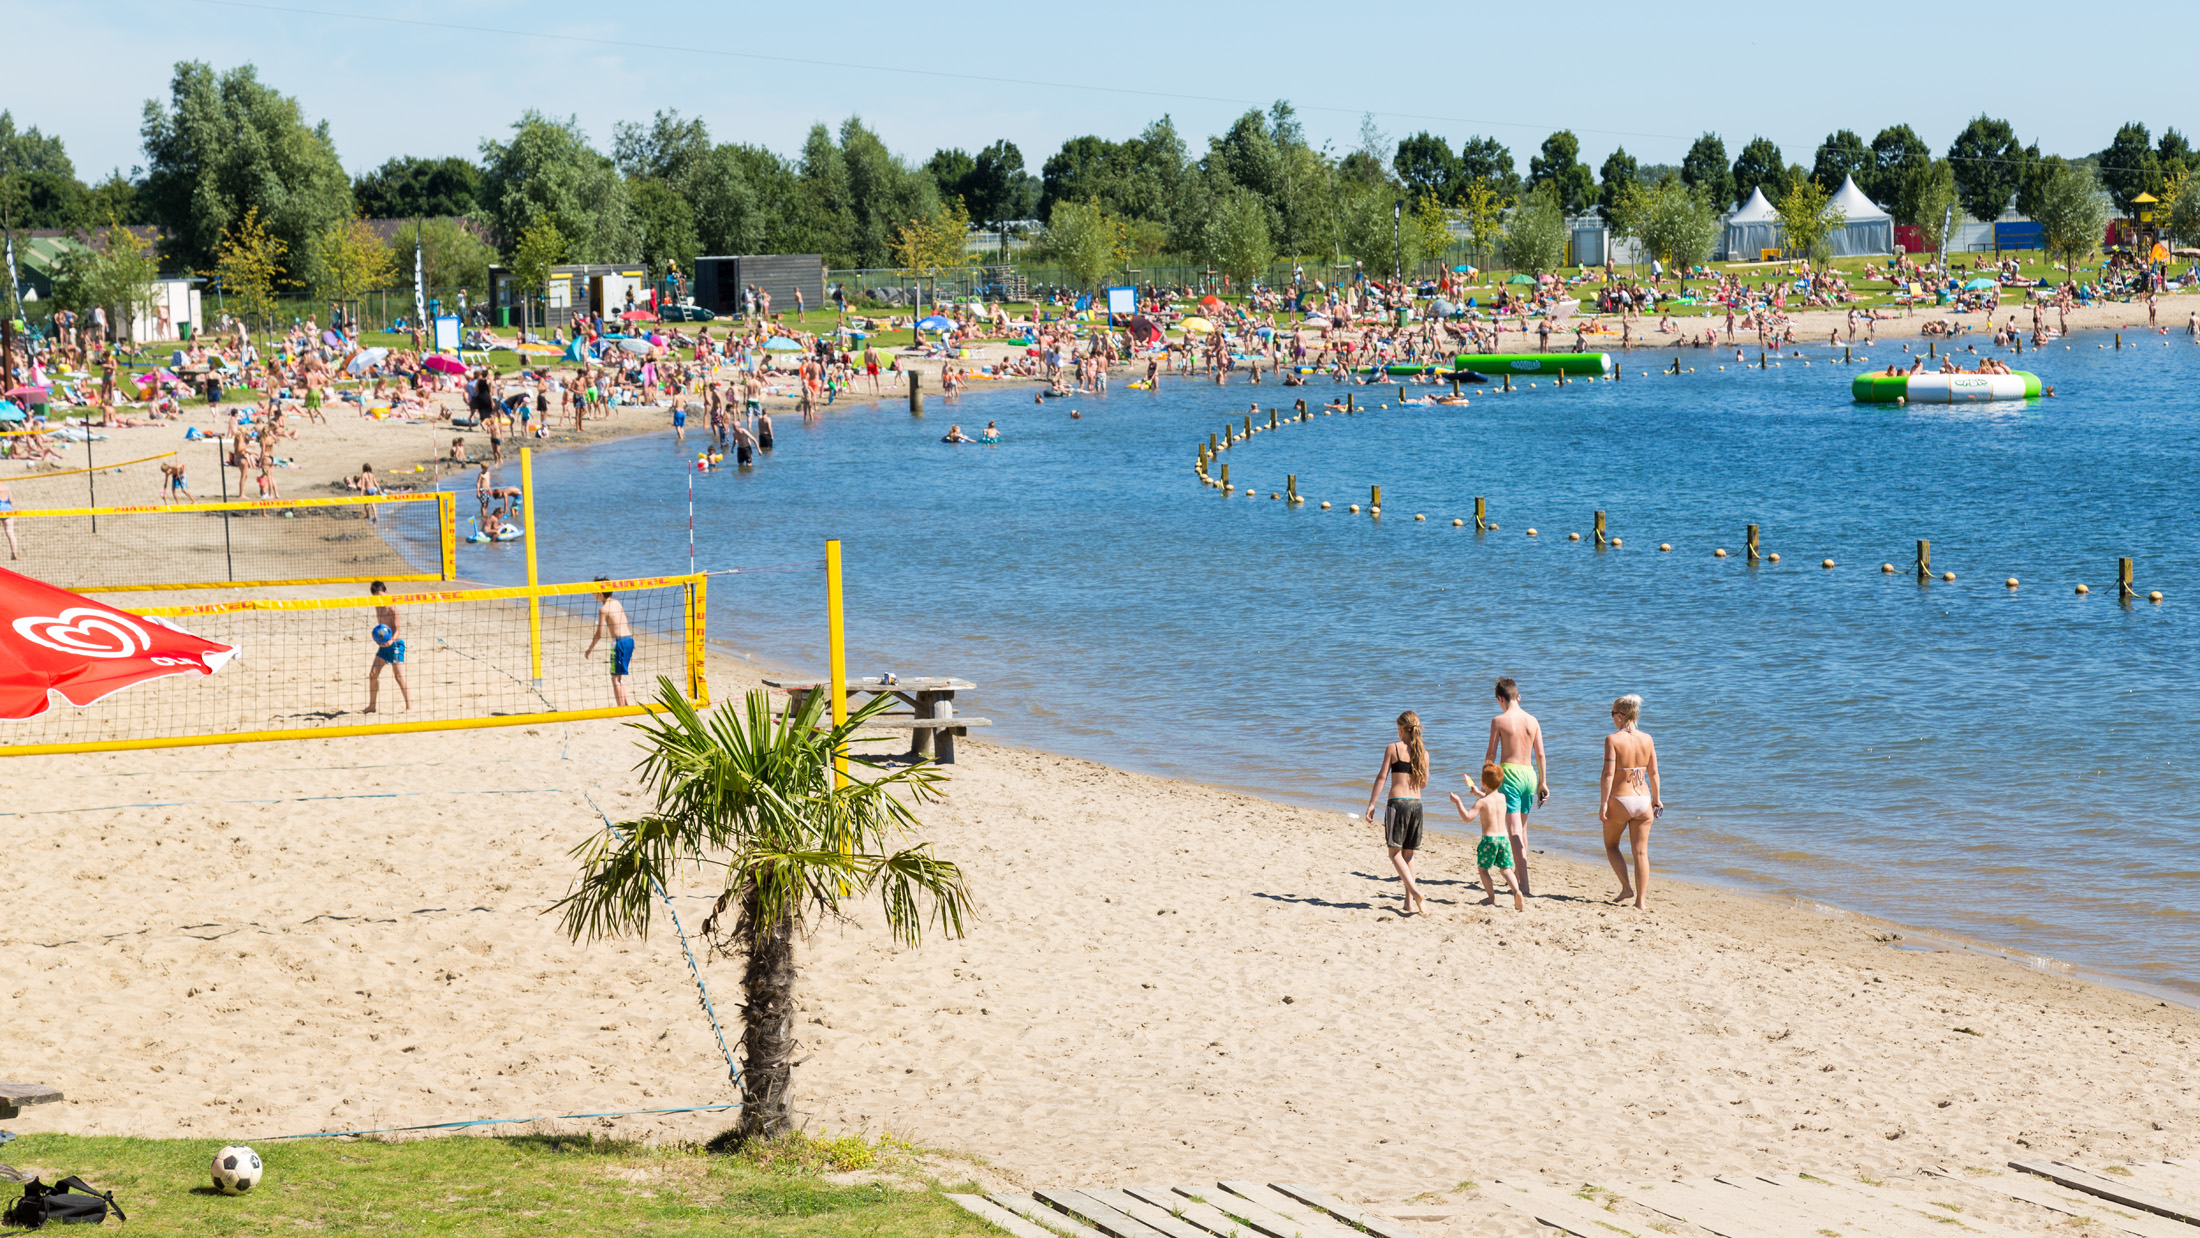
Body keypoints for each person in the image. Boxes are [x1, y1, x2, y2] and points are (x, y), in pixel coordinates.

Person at [1482, 677, 1547, 895]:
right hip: (1530, 775)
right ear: (1518, 696)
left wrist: (1485, 781)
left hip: (1509, 775)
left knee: (1513, 831)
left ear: (1500, 698)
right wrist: (1543, 782)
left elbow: (1491, 754)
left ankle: (1524, 884)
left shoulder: (1498, 721)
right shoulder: (1533, 721)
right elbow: (1540, 754)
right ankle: (1520, 878)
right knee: (1522, 830)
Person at [1361, 710, 1429, 916]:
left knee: (1394, 853)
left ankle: (1416, 892)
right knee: (1409, 854)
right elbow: (1423, 784)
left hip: (1397, 804)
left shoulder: (1393, 748)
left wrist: (1372, 803)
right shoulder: (1424, 754)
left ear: (1401, 729)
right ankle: (1409, 903)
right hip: (1417, 805)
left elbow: (1382, 777)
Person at [1598, 693, 1662, 909]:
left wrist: (1604, 803)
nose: (1612, 719)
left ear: (1620, 716)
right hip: (1644, 800)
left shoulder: (1613, 739)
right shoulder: (1648, 738)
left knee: (1611, 845)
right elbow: (1654, 773)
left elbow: (1608, 775)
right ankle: (1641, 902)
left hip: (1621, 799)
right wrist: (1657, 799)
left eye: (1612, 714)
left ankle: (1626, 887)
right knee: (1641, 852)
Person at [1450, 762, 1522, 911]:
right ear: (1500, 782)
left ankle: (1491, 898)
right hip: (1503, 839)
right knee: (1506, 869)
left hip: (1489, 840)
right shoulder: (1502, 797)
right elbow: (1492, 799)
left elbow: (1467, 818)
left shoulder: (1481, 802)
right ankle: (1517, 892)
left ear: (1482, 782)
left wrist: (1458, 802)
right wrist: (1478, 793)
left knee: (1483, 869)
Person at [583, 576, 635, 707]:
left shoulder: (603, 609)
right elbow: (625, 621)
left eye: (593, 591)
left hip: (619, 643)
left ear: (599, 593)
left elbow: (599, 633)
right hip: (630, 640)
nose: (592, 593)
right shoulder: (617, 603)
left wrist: (590, 648)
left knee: (614, 678)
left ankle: (620, 709)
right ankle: (626, 704)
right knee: (620, 676)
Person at [365, 581, 412, 713]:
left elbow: (398, 631)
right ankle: (372, 706)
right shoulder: (377, 606)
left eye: (381, 595)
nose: (379, 599)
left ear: (387, 592)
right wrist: (376, 638)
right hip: (384, 645)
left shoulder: (392, 609)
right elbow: (380, 628)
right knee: (373, 674)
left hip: (396, 644)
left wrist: (391, 640)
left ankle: (410, 707)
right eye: (376, 597)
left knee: (399, 676)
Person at [0, 481, 17, 560]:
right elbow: (11, 500)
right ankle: (14, 552)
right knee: (10, 533)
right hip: (8, 511)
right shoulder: (6, 486)